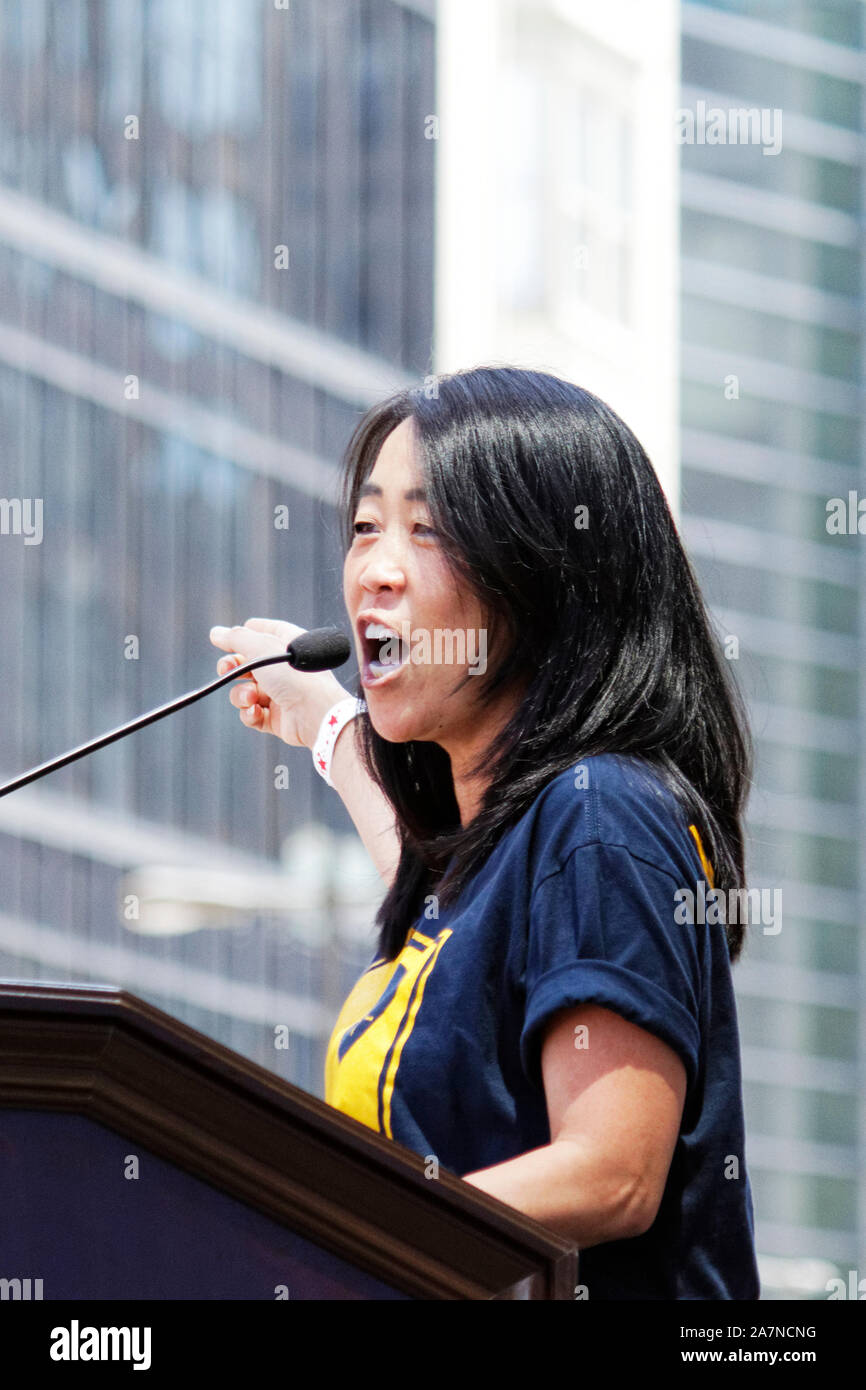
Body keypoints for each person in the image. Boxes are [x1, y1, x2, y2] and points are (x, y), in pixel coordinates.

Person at [209, 365, 760, 1300]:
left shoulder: (602, 814)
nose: (376, 568)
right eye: (366, 527)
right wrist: (323, 722)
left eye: (427, 530)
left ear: (544, 574)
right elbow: (459, 933)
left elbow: (611, 1175)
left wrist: (328, 1234)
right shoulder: (508, 850)